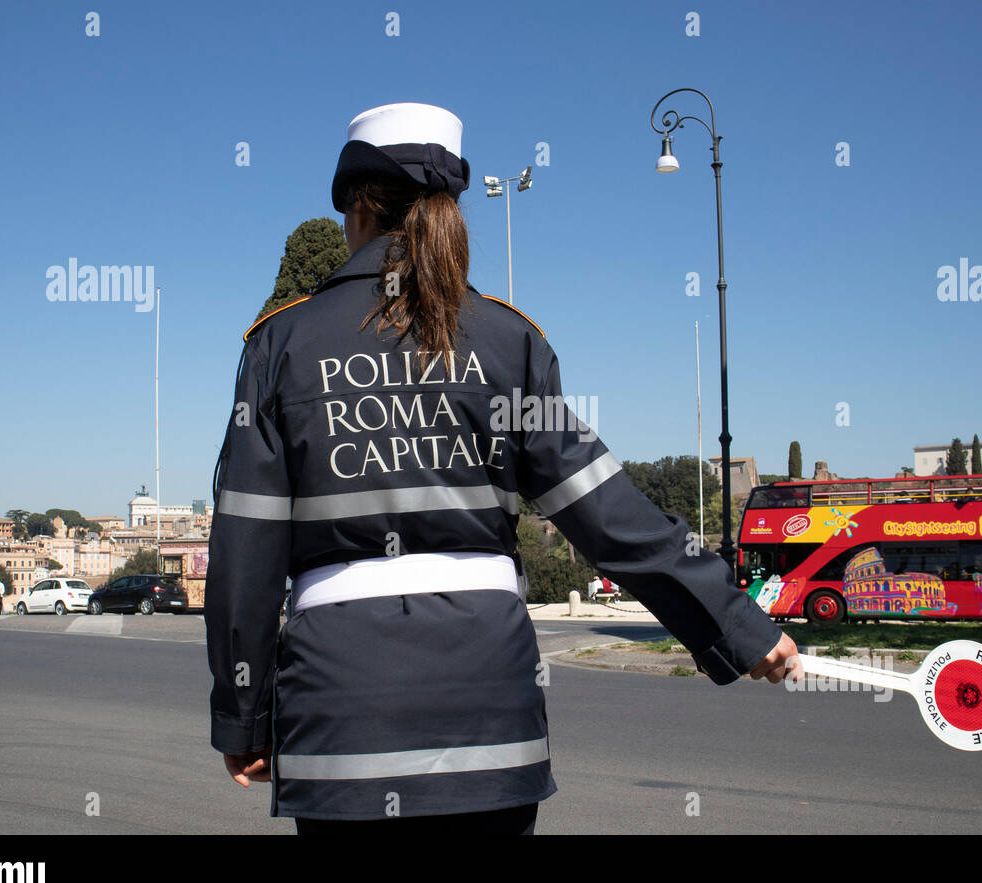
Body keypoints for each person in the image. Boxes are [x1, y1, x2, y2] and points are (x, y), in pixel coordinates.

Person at [205, 102, 801, 835]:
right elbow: (606, 510)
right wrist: (736, 621)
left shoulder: (281, 344)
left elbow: (245, 549)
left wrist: (244, 712)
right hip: (489, 714)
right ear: (450, 204)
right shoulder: (509, 342)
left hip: (342, 721)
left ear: (357, 206)